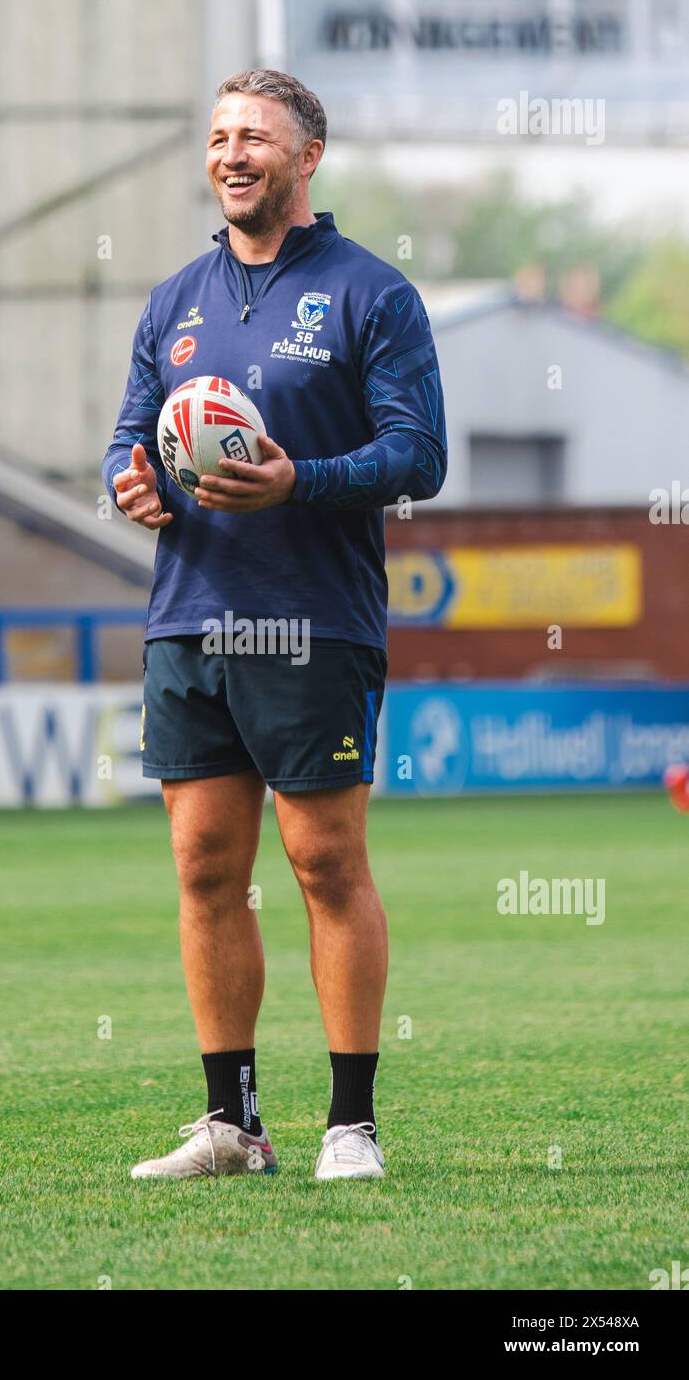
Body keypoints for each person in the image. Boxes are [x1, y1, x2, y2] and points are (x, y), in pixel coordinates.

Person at [102, 69, 447, 1180]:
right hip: (186, 617)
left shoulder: (370, 295)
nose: (230, 151)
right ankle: (230, 1125)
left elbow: (418, 456)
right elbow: (126, 440)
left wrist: (301, 479)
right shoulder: (173, 301)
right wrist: (129, 482)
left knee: (323, 860)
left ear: (306, 158)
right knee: (205, 866)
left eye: (254, 135)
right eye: (216, 135)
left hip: (312, 621)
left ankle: (350, 1123)